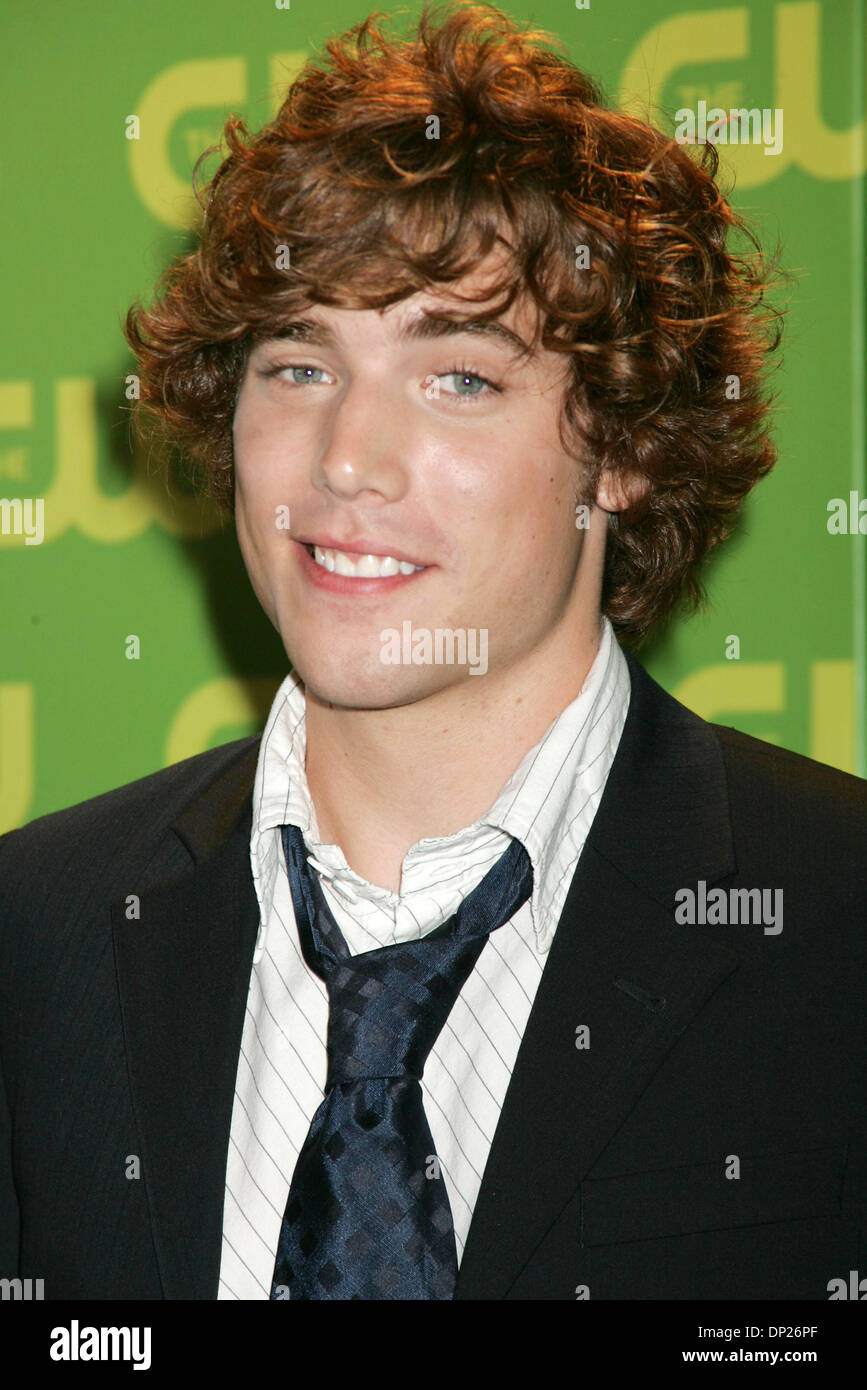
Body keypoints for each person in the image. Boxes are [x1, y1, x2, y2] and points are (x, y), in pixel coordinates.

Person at [1, 1, 864, 1302]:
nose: (346, 455)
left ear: (623, 445)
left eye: (456, 375)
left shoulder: (840, 924)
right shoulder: (37, 930)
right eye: (299, 363)